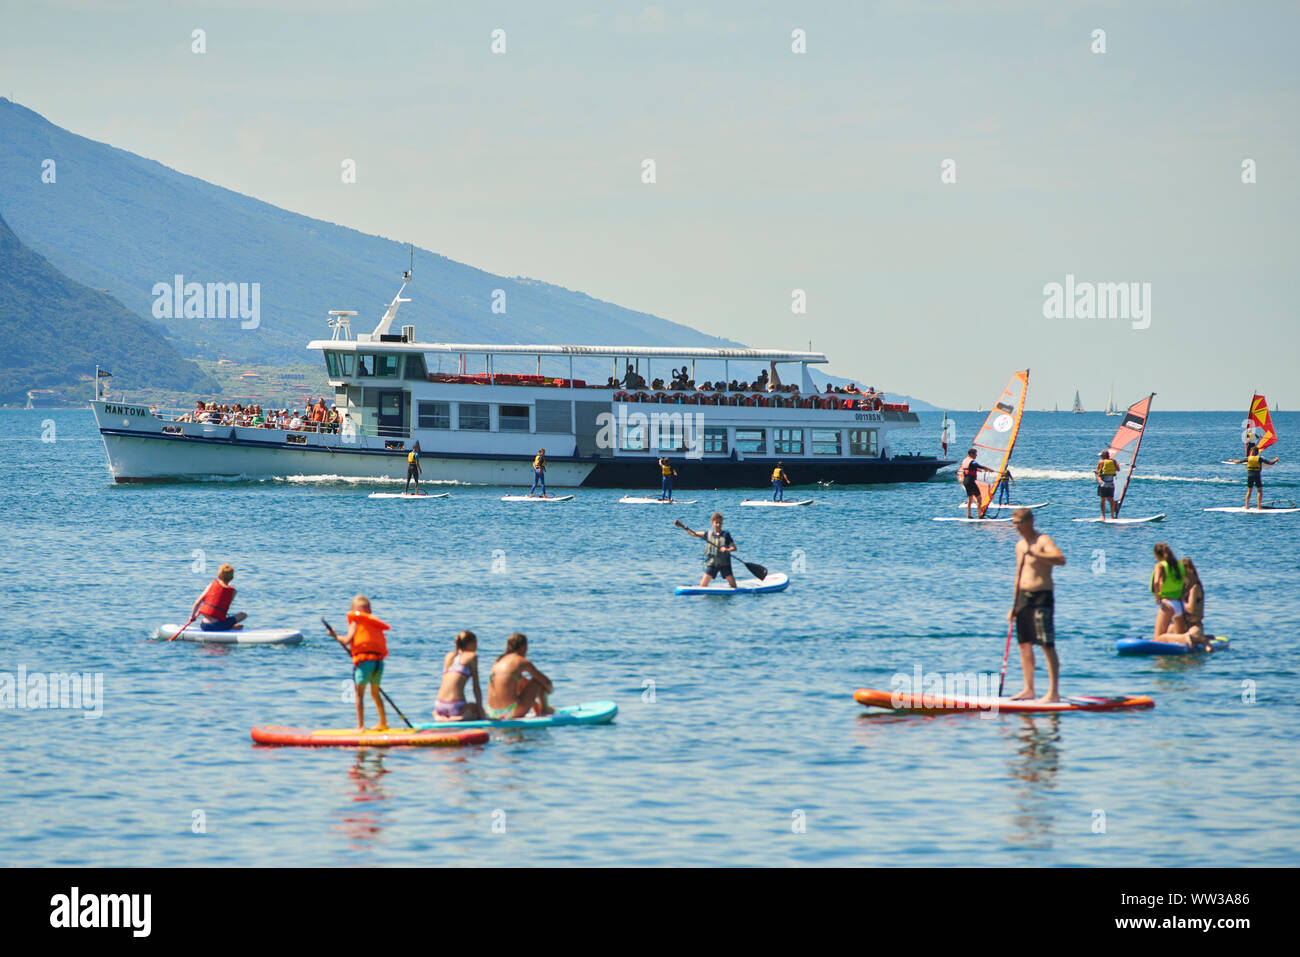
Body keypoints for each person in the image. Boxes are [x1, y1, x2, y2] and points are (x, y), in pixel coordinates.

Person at [1006, 509, 1066, 702]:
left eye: (1019, 522)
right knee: (1024, 645)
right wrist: (1014, 605)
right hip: (1023, 598)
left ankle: (1053, 693)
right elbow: (1018, 575)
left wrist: (1037, 554)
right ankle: (1028, 689)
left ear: (1030, 521)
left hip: (1042, 596)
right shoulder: (1019, 545)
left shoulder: (1043, 541)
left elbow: (1060, 559)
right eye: (1014, 523)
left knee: (1046, 645)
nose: (1016, 527)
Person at [331, 595, 390, 730]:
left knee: (359, 695)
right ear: (369, 610)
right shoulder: (373, 623)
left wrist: (334, 636)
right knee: (375, 694)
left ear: (353, 610)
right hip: (378, 663)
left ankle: (360, 726)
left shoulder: (356, 621)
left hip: (365, 663)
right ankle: (383, 723)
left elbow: (346, 640)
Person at [487, 633, 554, 719]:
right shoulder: (521, 661)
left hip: (493, 712)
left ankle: (537, 708)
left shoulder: (498, 661)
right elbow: (547, 682)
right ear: (524, 647)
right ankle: (544, 710)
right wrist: (548, 690)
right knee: (537, 681)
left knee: (521, 681)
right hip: (510, 712)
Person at [674, 513, 738, 588]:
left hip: (725, 564)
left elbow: (734, 548)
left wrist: (726, 549)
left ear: (722, 523)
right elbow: (694, 534)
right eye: (716, 523)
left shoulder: (726, 535)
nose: (718, 525)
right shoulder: (708, 534)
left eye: (720, 523)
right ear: (712, 523)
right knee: (702, 585)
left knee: (733, 586)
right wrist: (682, 526)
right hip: (712, 564)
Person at [1160, 559, 1212, 649]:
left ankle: (1200, 639)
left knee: (1193, 634)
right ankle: (1194, 638)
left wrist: (1176, 603)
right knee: (1165, 633)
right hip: (1181, 625)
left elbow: (1191, 608)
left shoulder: (1194, 587)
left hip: (1194, 625)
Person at [434, 630, 486, 720]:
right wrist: (481, 711)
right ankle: (457, 718)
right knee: (475, 708)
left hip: (439, 705)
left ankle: (440, 716)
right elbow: (476, 687)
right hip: (455, 705)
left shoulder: (449, 656)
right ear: (471, 643)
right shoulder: (472, 656)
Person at [189, 563, 247, 631]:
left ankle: (231, 627)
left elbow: (197, 603)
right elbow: (223, 608)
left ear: (219, 576)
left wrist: (192, 617)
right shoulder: (233, 592)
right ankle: (230, 627)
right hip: (218, 626)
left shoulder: (211, 585)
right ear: (232, 578)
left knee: (237, 626)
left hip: (204, 625)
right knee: (243, 614)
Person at [1149, 543, 1187, 640]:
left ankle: (1187, 637)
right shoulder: (1180, 565)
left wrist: (1157, 597)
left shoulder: (1160, 565)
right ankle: (1186, 637)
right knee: (1178, 638)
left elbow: (1156, 582)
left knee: (1158, 638)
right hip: (1180, 604)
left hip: (1168, 605)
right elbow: (1187, 584)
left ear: (1157, 555)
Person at [1228, 442, 1280, 510]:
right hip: (1257, 476)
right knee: (1259, 491)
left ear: (1252, 452)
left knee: (1249, 491)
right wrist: (1275, 460)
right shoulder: (1260, 458)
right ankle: (1259, 507)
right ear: (1257, 452)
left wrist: (1232, 460)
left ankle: (1247, 506)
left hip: (1250, 475)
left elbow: (1238, 461)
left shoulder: (1248, 458)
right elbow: (1270, 463)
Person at [958, 448, 995, 518]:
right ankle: (979, 515)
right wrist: (989, 469)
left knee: (970, 498)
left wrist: (977, 470)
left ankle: (969, 515)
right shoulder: (972, 462)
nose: (976, 455)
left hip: (965, 481)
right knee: (979, 498)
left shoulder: (965, 460)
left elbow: (968, 468)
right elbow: (980, 466)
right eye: (975, 454)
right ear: (971, 454)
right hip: (970, 481)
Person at [1095, 450, 1120, 519]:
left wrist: (1095, 472)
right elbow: (1118, 470)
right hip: (1111, 484)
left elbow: (1098, 471)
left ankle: (1103, 516)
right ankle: (1112, 516)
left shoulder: (1100, 462)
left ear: (1103, 456)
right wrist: (1117, 465)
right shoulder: (1114, 461)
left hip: (1103, 484)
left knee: (1102, 500)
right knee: (1111, 500)